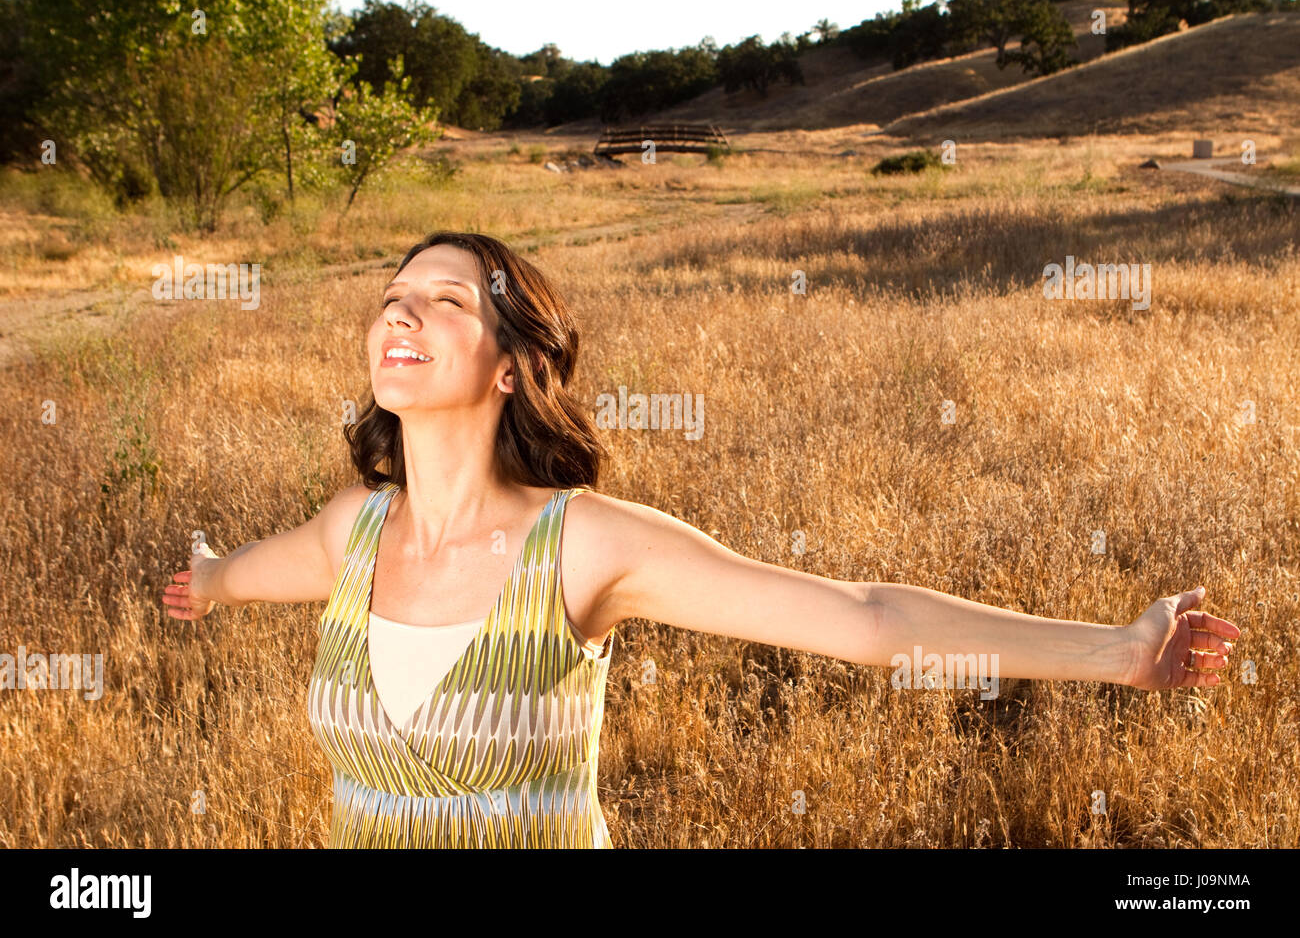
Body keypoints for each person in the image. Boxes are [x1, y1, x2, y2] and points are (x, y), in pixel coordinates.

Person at [162, 231, 1239, 848]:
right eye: (392, 297)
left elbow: (865, 618)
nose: (399, 314)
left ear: (508, 366)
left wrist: (1116, 649)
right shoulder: (349, 532)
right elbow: (240, 575)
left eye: (444, 300)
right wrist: (205, 579)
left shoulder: (581, 547)